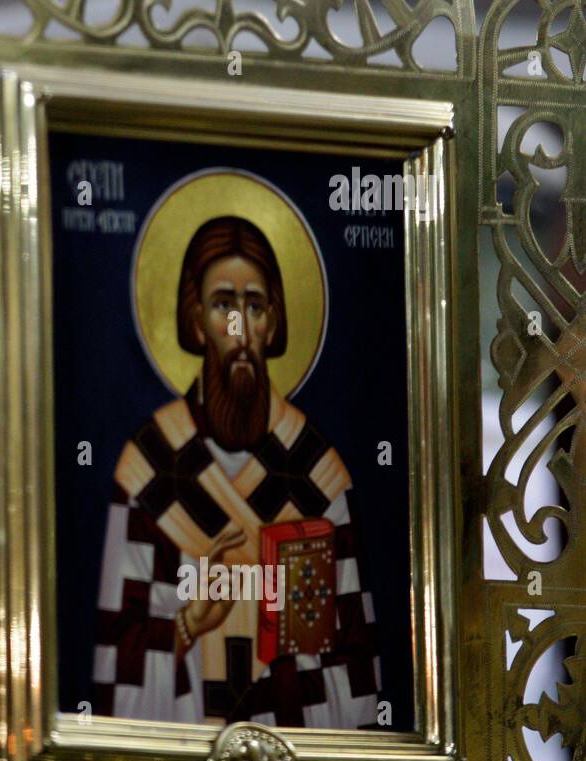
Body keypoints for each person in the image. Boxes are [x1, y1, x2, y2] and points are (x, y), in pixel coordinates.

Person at [91, 216, 380, 728]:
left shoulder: (317, 474)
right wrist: (186, 624)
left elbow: (358, 680)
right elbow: (116, 664)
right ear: (195, 319)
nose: (240, 331)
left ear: (274, 324)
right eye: (224, 304)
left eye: (255, 306)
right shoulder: (151, 469)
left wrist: (294, 631)